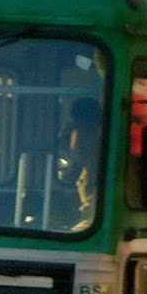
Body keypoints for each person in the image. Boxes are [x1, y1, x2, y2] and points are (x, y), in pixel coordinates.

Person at [50, 97, 102, 229]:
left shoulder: (101, 169)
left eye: (82, 129)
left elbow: (91, 217)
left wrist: (72, 232)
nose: (76, 136)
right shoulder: (85, 168)